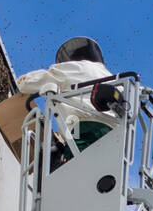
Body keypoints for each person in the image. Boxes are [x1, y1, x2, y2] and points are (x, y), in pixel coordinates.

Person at [16, 37, 122, 165]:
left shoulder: (71, 68)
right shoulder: (113, 78)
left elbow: (28, 83)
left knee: (75, 167)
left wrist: (21, 81)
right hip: (115, 136)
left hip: (82, 127)